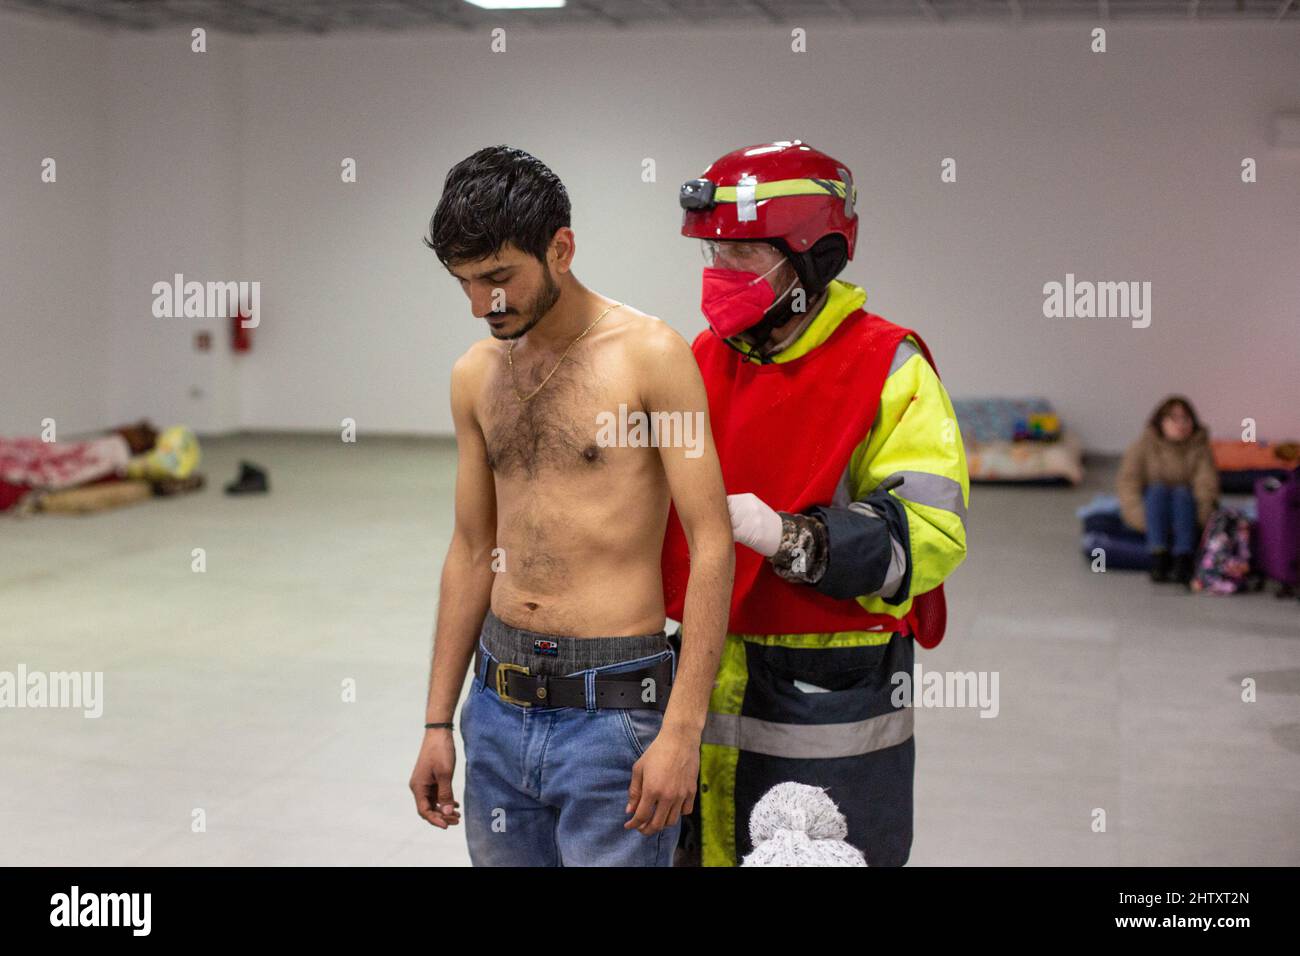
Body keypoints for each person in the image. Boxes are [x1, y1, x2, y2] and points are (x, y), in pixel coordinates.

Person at [409, 145, 734, 866]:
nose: (481, 304)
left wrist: (682, 730)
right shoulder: (475, 375)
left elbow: (712, 543)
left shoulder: (651, 357)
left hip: (614, 710)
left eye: (498, 277)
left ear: (561, 249)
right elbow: (469, 550)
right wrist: (438, 720)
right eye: (464, 283)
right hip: (495, 706)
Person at [661, 141, 970, 866]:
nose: (717, 278)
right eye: (710, 256)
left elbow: (930, 532)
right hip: (701, 676)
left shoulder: (889, 365)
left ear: (810, 258)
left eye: (740, 257)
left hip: (827, 689)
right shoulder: (701, 358)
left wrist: (791, 536)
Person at [1116, 395, 1219, 585]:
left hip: (1187, 510)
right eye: (1174, 418)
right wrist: (1142, 517)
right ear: (1161, 422)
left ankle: (1183, 558)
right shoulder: (1141, 447)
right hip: (1153, 509)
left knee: (1182, 493)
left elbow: (1207, 487)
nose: (1180, 424)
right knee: (1157, 491)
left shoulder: (1201, 449)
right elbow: (1128, 485)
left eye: (1185, 418)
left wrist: (1202, 517)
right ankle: (1159, 555)